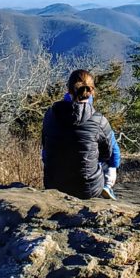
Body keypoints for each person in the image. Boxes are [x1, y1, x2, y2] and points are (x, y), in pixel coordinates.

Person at [42, 68, 121, 200]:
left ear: (68, 89)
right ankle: (107, 185)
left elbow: (45, 150)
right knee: (109, 155)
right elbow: (108, 153)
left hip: (53, 185)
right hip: (87, 189)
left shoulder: (50, 114)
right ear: (92, 91)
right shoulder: (99, 120)